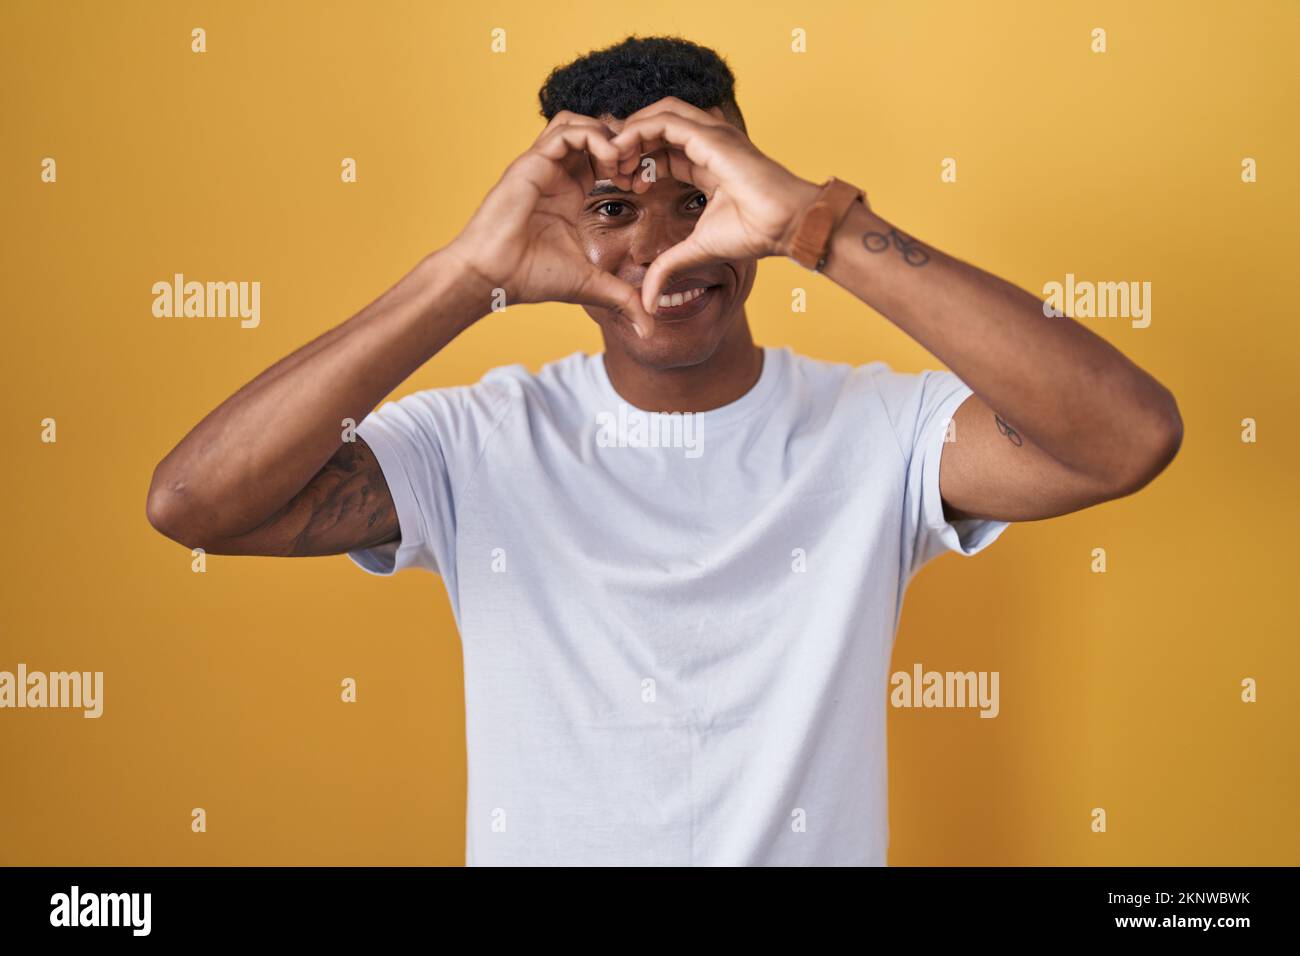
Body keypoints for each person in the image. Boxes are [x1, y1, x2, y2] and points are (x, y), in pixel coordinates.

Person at [146, 36, 1182, 865]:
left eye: (699, 200)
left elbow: (1126, 437)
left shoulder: (881, 433)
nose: (663, 246)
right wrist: (469, 272)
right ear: (560, 227)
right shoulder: (474, 442)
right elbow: (195, 501)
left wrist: (813, 222)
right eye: (613, 209)